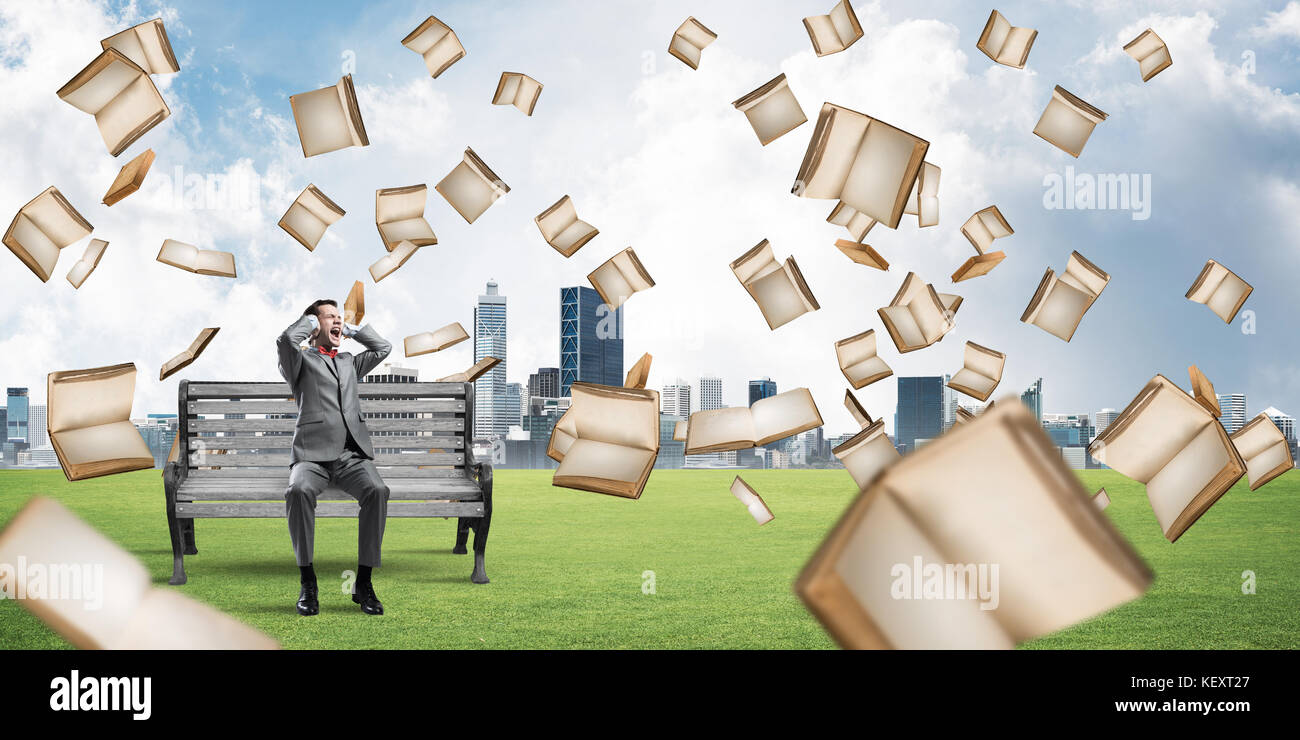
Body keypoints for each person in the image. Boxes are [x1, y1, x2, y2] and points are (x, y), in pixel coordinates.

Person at [276, 299, 392, 616]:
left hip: (352, 455)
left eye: (338, 316)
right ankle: (307, 583)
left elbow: (384, 348)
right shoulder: (298, 361)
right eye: (330, 316)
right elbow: (286, 339)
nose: (336, 320)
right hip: (311, 458)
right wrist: (312, 321)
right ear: (314, 325)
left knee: (378, 491)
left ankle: (363, 583)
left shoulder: (348, 362)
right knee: (297, 491)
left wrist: (349, 329)